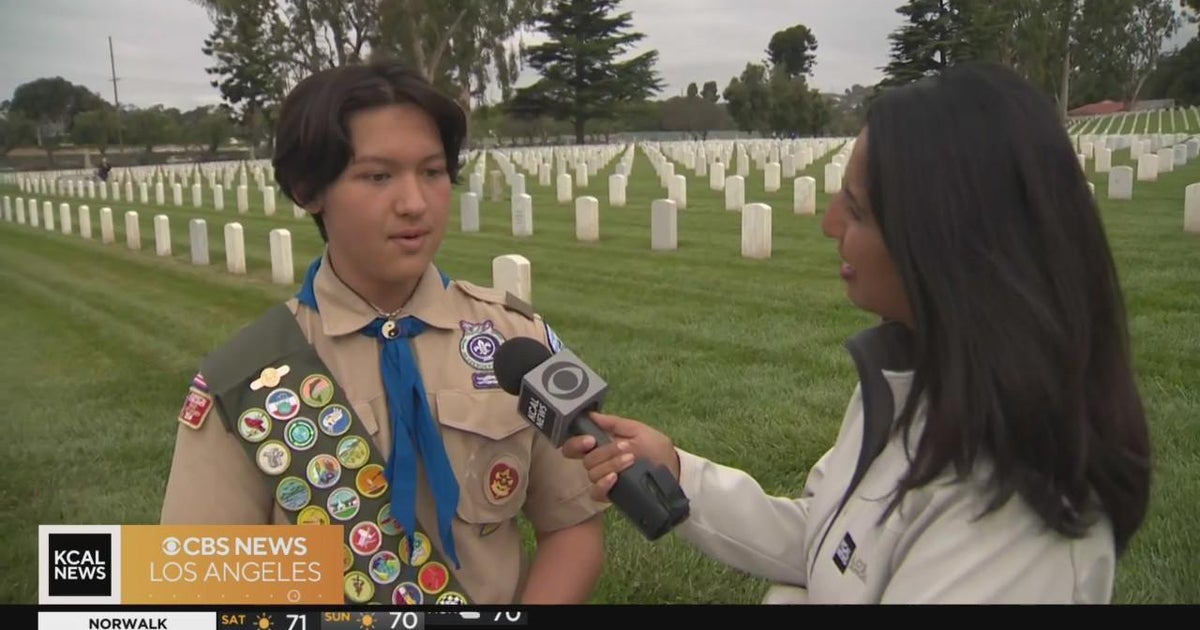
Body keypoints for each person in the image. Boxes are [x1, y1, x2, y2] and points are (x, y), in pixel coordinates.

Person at [562, 62, 1152, 604]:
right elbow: (829, 547)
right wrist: (679, 474)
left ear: (945, 241)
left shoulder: (1021, 526)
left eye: (858, 209)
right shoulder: (914, 379)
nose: (828, 224)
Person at [160, 60, 607, 606]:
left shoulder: (519, 338)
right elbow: (204, 583)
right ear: (308, 189)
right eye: (378, 176)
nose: (414, 203)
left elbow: (574, 523)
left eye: (432, 172)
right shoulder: (245, 380)